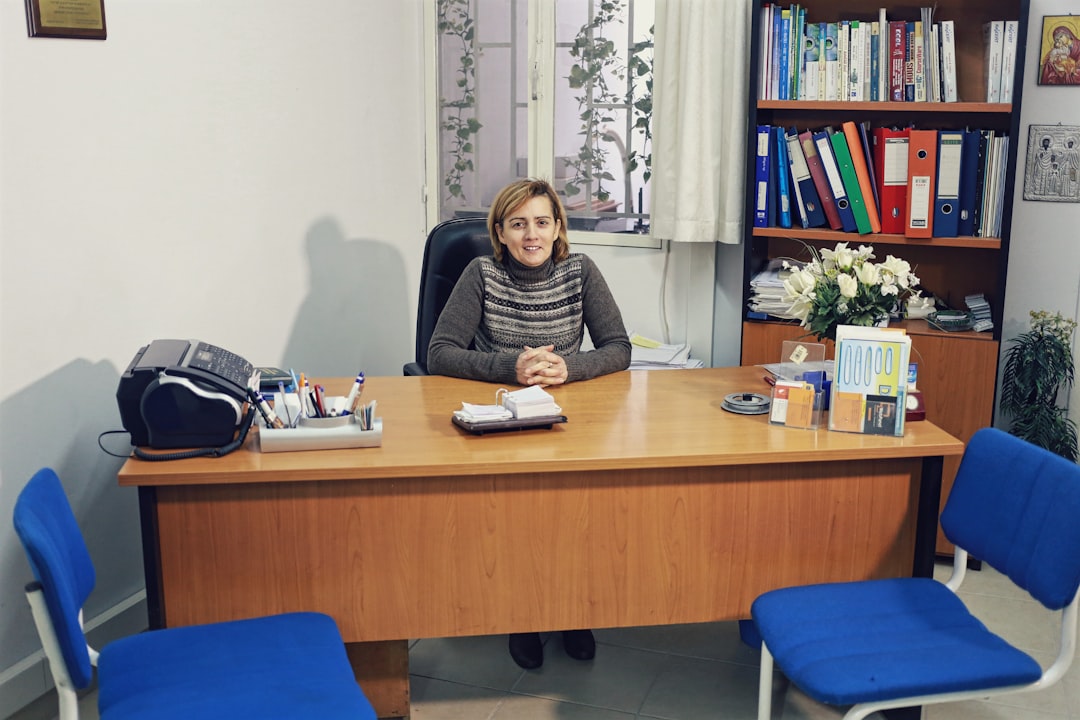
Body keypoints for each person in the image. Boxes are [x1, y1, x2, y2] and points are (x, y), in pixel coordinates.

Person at [427, 178, 631, 669]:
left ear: (558, 227)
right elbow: (438, 354)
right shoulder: (480, 273)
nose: (531, 235)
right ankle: (522, 614)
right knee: (518, 519)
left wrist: (570, 368)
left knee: (576, 518)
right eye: (518, 224)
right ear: (500, 232)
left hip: (567, 420)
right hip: (500, 418)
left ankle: (574, 611)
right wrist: (509, 368)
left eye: (542, 222)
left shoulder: (581, 271)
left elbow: (618, 347)